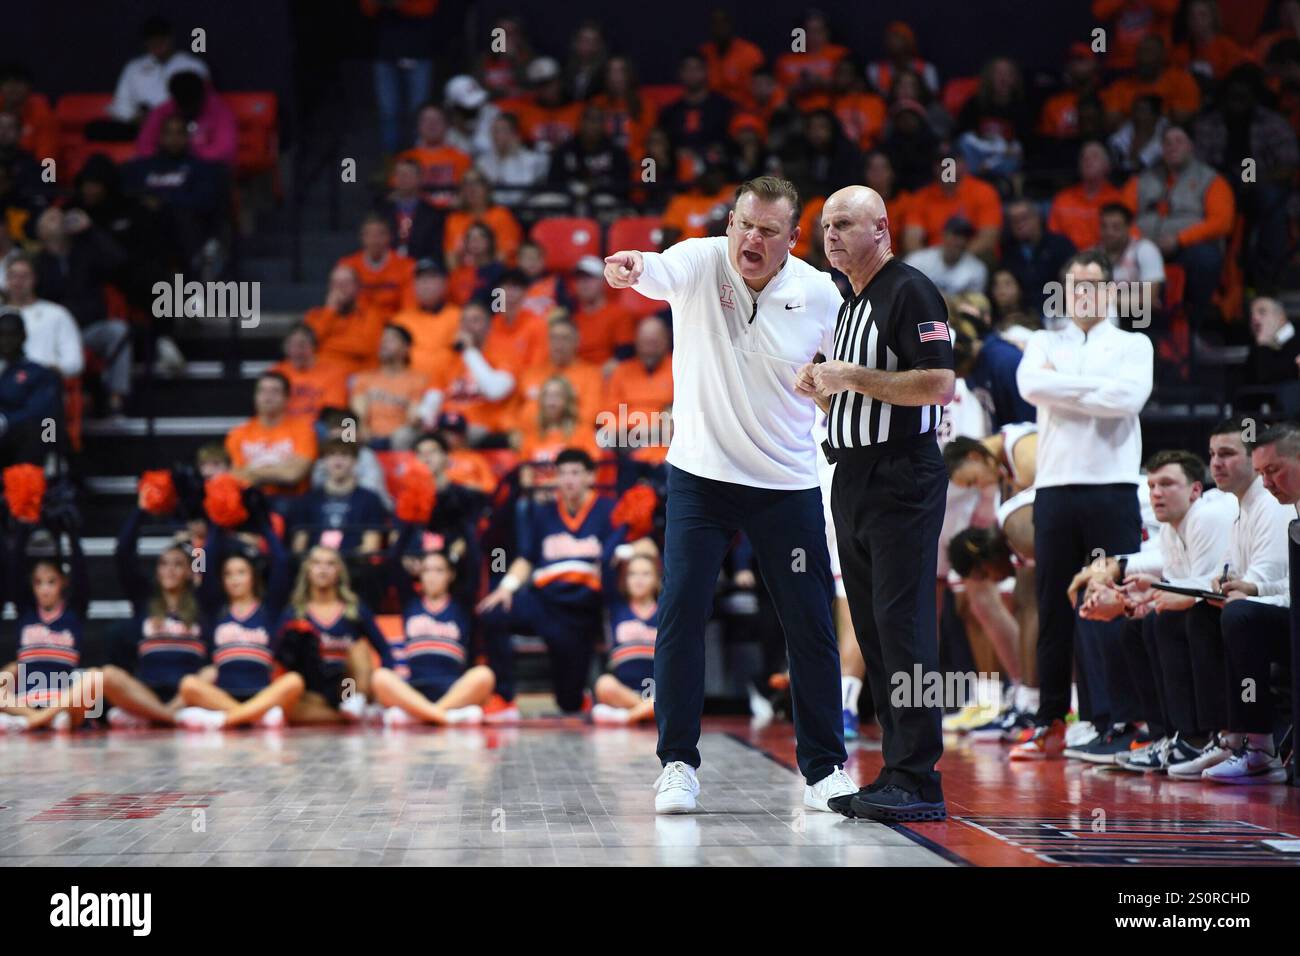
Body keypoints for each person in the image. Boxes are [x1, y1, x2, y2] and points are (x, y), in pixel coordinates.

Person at [605, 175, 856, 815]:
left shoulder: (822, 294)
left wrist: (827, 389)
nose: (752, 238)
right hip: (701, 475)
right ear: (730, 223)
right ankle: (678, 766)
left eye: (769, 231)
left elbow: (844, 381)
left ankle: (825, 770)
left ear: (792, 240)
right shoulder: (698, 261)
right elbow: (656, 270)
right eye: (744, 224)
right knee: (681, 609)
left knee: (808, 621)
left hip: (787, 480)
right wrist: (633, 267)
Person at [794, 184, 955, 821]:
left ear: (881, 228)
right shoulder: (849, 301)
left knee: (903, 624)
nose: (830, 236)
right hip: (854, 474)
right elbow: (862, 401)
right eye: (825, 226)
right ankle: (895, 769)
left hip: (902, 477)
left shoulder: (908, 289)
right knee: (873, 627)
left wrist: (849, 377)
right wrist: (823, 393)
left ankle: (919, 778)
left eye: (843, 224)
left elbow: (939, 383)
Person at [1010, 251, 1154, 760]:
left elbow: (1129, 400)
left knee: (1109, 602)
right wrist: (1095, 391)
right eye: (1076, 286)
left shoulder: (1134, 343)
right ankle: (1051, 717)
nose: (1084, 296)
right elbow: (1030, 386)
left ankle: (1116, 718)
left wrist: (1063, 390)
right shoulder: (1044, 341)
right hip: (1055, 488)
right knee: (1053, 606)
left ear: (1112, 292)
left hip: (1112, 487)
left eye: (1094, 286)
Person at [477, 449, 643, 718]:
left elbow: (627, 549)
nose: (568, 480)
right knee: (493, 613)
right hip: (543, 601)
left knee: (569, 703)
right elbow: (526, 558)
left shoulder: (608, 510)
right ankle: (503, 697)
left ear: (590, 476)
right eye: (563, 474)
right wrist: (506, 588)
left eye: (576, 473)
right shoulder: (543, 512)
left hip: (581, 608)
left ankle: (583, 697)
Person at [173, 510, 304, 729]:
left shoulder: (269, 610)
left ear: (252, 576)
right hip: (223, 693)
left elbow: (281, 561)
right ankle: (254, 716)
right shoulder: (216, 609)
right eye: (228, 574)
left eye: (241, 572)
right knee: (189, 684)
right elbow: (201, 563)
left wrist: (263, 525)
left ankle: (226, 719)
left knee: (295, 681)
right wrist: (217, 521)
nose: (235, 579)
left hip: (261, 691)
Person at [371, 547, 494, 726]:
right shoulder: (410, 603)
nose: (432, 576)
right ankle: (445, 716)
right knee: (380, 677)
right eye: (426, 570)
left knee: (484, 675)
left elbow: (475, 562)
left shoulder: (461, 606)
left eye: (439, 570)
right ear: (419, 575)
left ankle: (420, 715)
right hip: (415, 688)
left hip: (453, 688)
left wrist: (464, 526)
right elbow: (393, 560)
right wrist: (410, 523)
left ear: (450, 575)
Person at [274, 546, 395, 724]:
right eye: (317, 563)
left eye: (330, 564)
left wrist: (381, 691)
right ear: (307, 569)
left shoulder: (354, 610)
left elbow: (385, 652)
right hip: (314, 691)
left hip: (347, 687)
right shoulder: (294, 613)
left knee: (359, 648)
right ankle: (347, 719)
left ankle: (354, 705)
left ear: (339, 570)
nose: (323, 569)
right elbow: (277, 657)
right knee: (286, 708)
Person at [591, 553, 660, 725]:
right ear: (625, 579)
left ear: (657, 579)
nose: (639, 579)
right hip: (624, 690)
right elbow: (605, 563)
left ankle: (625, 717)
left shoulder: (666, 611)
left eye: (646, 574)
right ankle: (648, 711)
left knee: (677, 691)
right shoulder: (616, 608)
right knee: (604, 683)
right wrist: (627, 546)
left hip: (656, 688)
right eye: (632, 574)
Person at [226, 372, 319, 498]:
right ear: (255, 396)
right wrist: (280, 468)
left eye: (274, 391)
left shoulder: (303, 430)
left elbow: (293, 475)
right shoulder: (238, 433)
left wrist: (252, 471)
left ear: (286, 398)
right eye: (262, 391)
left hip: (292, 499)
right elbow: (236, 476)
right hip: (250, 498)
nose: (267, 396)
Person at [108, 16, 210, 126]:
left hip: (183, 127)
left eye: (161, 40)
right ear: (145, 43)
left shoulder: (193, 66)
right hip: (143, 126)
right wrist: (135, 117)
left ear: (171, 39)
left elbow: (206, 104)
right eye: (152, 41)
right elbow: (121, 104)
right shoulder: (134, 67)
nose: (157, 45)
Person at [349, 324, 431, 449]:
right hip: (368, 435)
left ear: (406, 348)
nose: (383, 343)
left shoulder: (418, 380)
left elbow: (413, 417)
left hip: (398, 438)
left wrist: (390, 435)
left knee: (404, 435)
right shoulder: (364, 378)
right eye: (382, 340)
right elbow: (357, 411)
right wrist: (362, 428)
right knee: (345, 428)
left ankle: (401, 468)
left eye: (391, 340)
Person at [0, 308, 61, 467]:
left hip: (21, 438)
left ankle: (28, 482)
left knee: (43, 427)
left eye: (11, 334)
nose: (6, 340)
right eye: (1, 334)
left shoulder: (38, 373)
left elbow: (42, 414)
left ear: (23, 336)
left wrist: (5, 421)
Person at [902, 215, 987, 295]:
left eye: (963, 237)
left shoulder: (977, 269)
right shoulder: (917, 260)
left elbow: (973, 305)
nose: (958, 241)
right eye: (954, 235)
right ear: (944, 235)